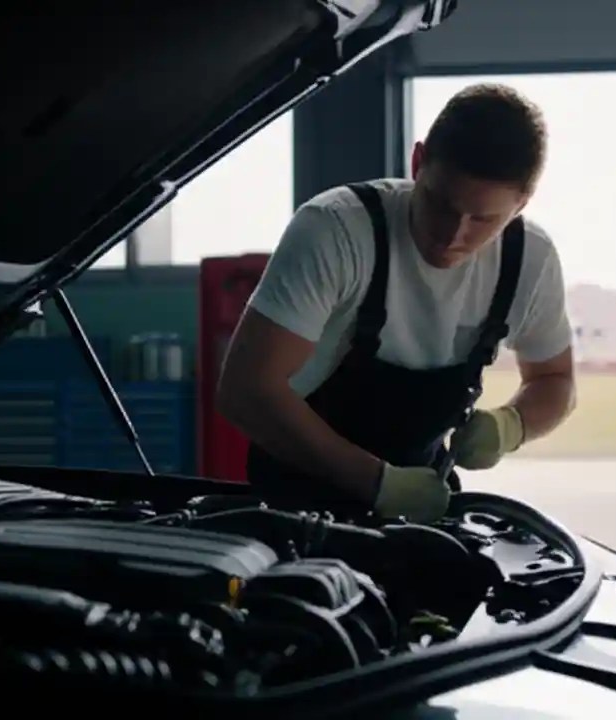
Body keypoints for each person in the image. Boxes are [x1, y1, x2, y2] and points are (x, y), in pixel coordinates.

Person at [216, 83, 576, 525]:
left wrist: (510, 425)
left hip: (420, 504)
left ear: (521, 205)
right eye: (441, 204)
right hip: (296, 506)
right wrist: (376, 482)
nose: (453, 235)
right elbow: (246, 391)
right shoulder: (337, 230)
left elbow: (557, 381)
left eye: (483, 219)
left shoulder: (528, 260)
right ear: (418, 163)